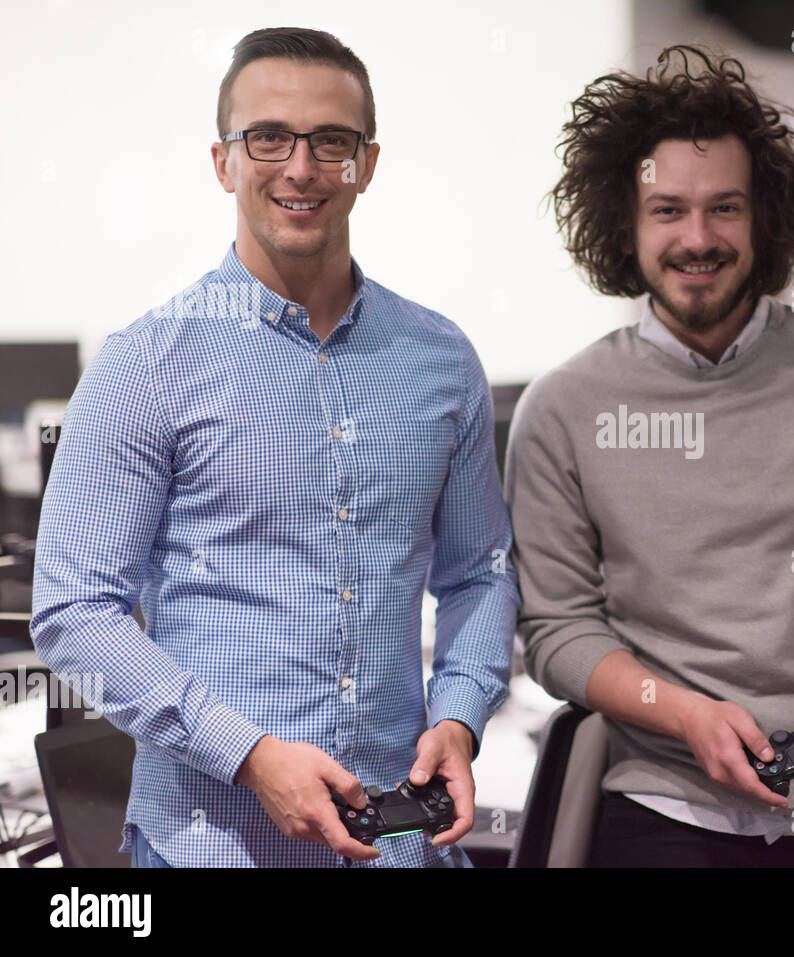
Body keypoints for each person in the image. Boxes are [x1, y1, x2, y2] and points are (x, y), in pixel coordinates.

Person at [31, 27, 518, 867]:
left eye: (332, 141)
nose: (301, 168)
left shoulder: (441, 361)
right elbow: (73, 613)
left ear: (366, 162)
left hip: (403, 841)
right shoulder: (147, 361)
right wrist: (247, 754)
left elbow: (480, 572)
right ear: (223, 161)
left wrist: (459, 717)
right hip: (208, 846)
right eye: (269, 138)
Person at [505, 46, 794, 867]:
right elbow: (558, 631)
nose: (697, 237)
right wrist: (686, 714)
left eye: (725, 208)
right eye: (667, 210)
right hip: (659, 809)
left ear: (764, 218)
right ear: (624, 222)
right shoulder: (562, 408)